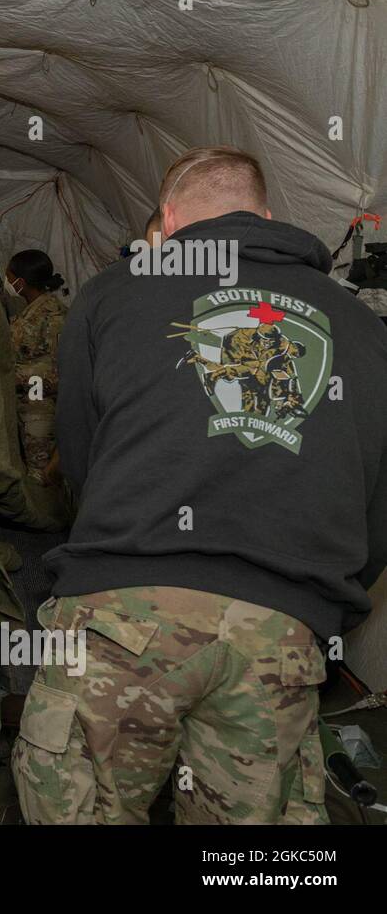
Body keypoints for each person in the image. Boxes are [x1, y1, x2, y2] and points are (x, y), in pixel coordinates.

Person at [20, 145, 387, 824]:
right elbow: (376, 501)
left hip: (124, 610)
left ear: (166, 221)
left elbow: (79, 455)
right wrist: (310, 595)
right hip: (279, 628)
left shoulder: (115, 292)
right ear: (268, 214)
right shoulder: (363, 327)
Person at [5, 249, 67, 481]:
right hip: (25, 405)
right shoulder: (29, 313)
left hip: (42, 410)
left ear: (20, 282)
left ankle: (53, 516)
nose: (7, 283)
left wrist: (10, 374)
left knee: (43, 476)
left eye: (9, 278)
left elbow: (60, 369)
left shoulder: (54, 316)